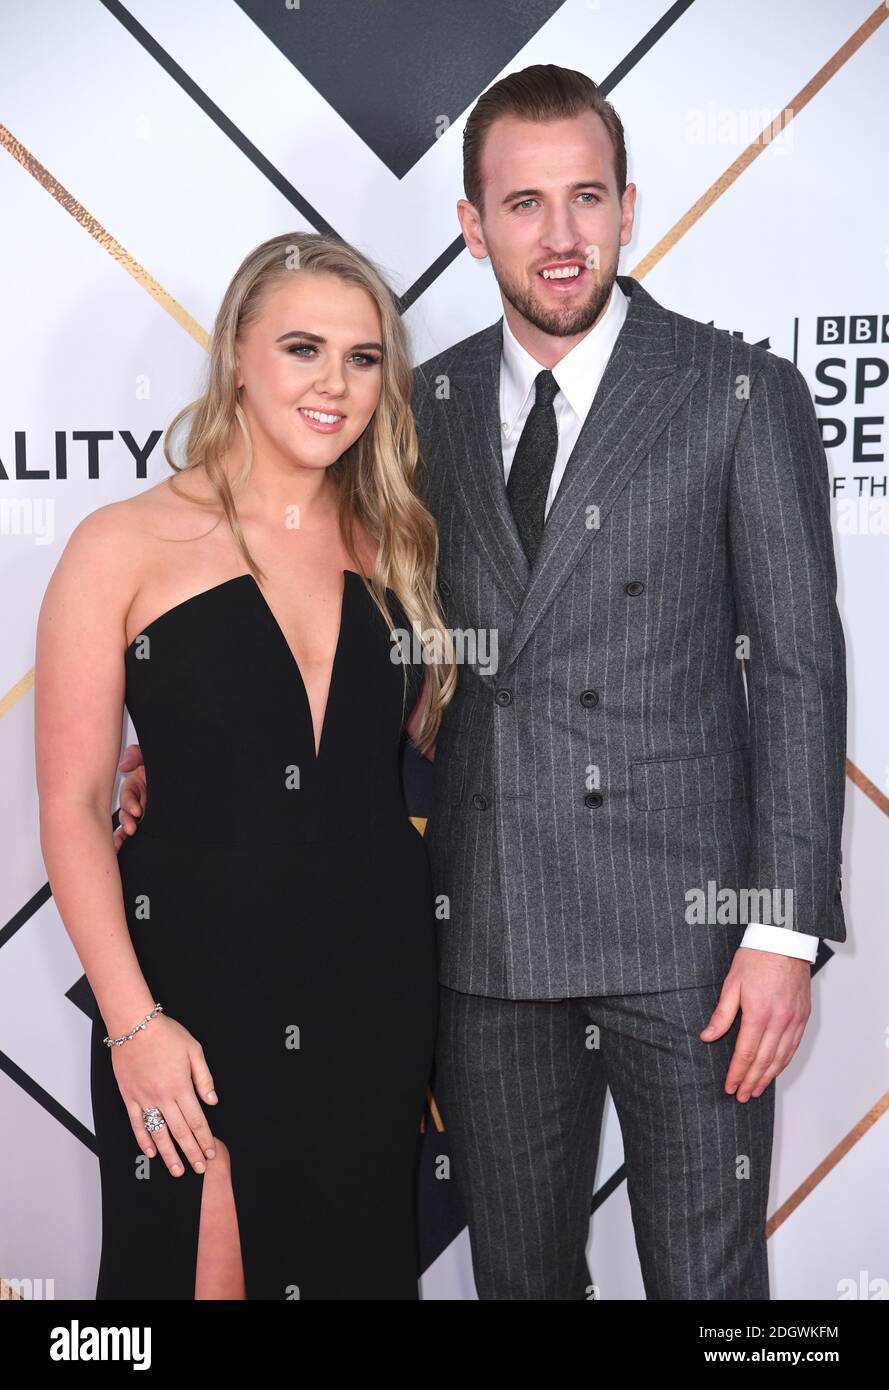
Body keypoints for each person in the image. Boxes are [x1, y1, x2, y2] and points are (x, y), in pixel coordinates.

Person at [116, 66, 848, 1300]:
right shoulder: (413, 409)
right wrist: (198, 752)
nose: (558, 238)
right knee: (518, 1279)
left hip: (693, 946)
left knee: (712, 1285)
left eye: (585, 199)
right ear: (472, 224)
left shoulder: (737, 391)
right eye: (523, 205)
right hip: (483, 934)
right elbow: (352, 631)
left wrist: (779, 930)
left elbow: (794, 671)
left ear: (628, 208)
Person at [35, 231, 455, 1300]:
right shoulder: (120, 544)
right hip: (191, 984)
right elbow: (74, 804)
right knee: (193, 1270)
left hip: (375, 987)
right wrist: (134, 1024)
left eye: (364, 358)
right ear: (236, 357)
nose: (335, 384)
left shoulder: (395, 539)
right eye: (303, 348)